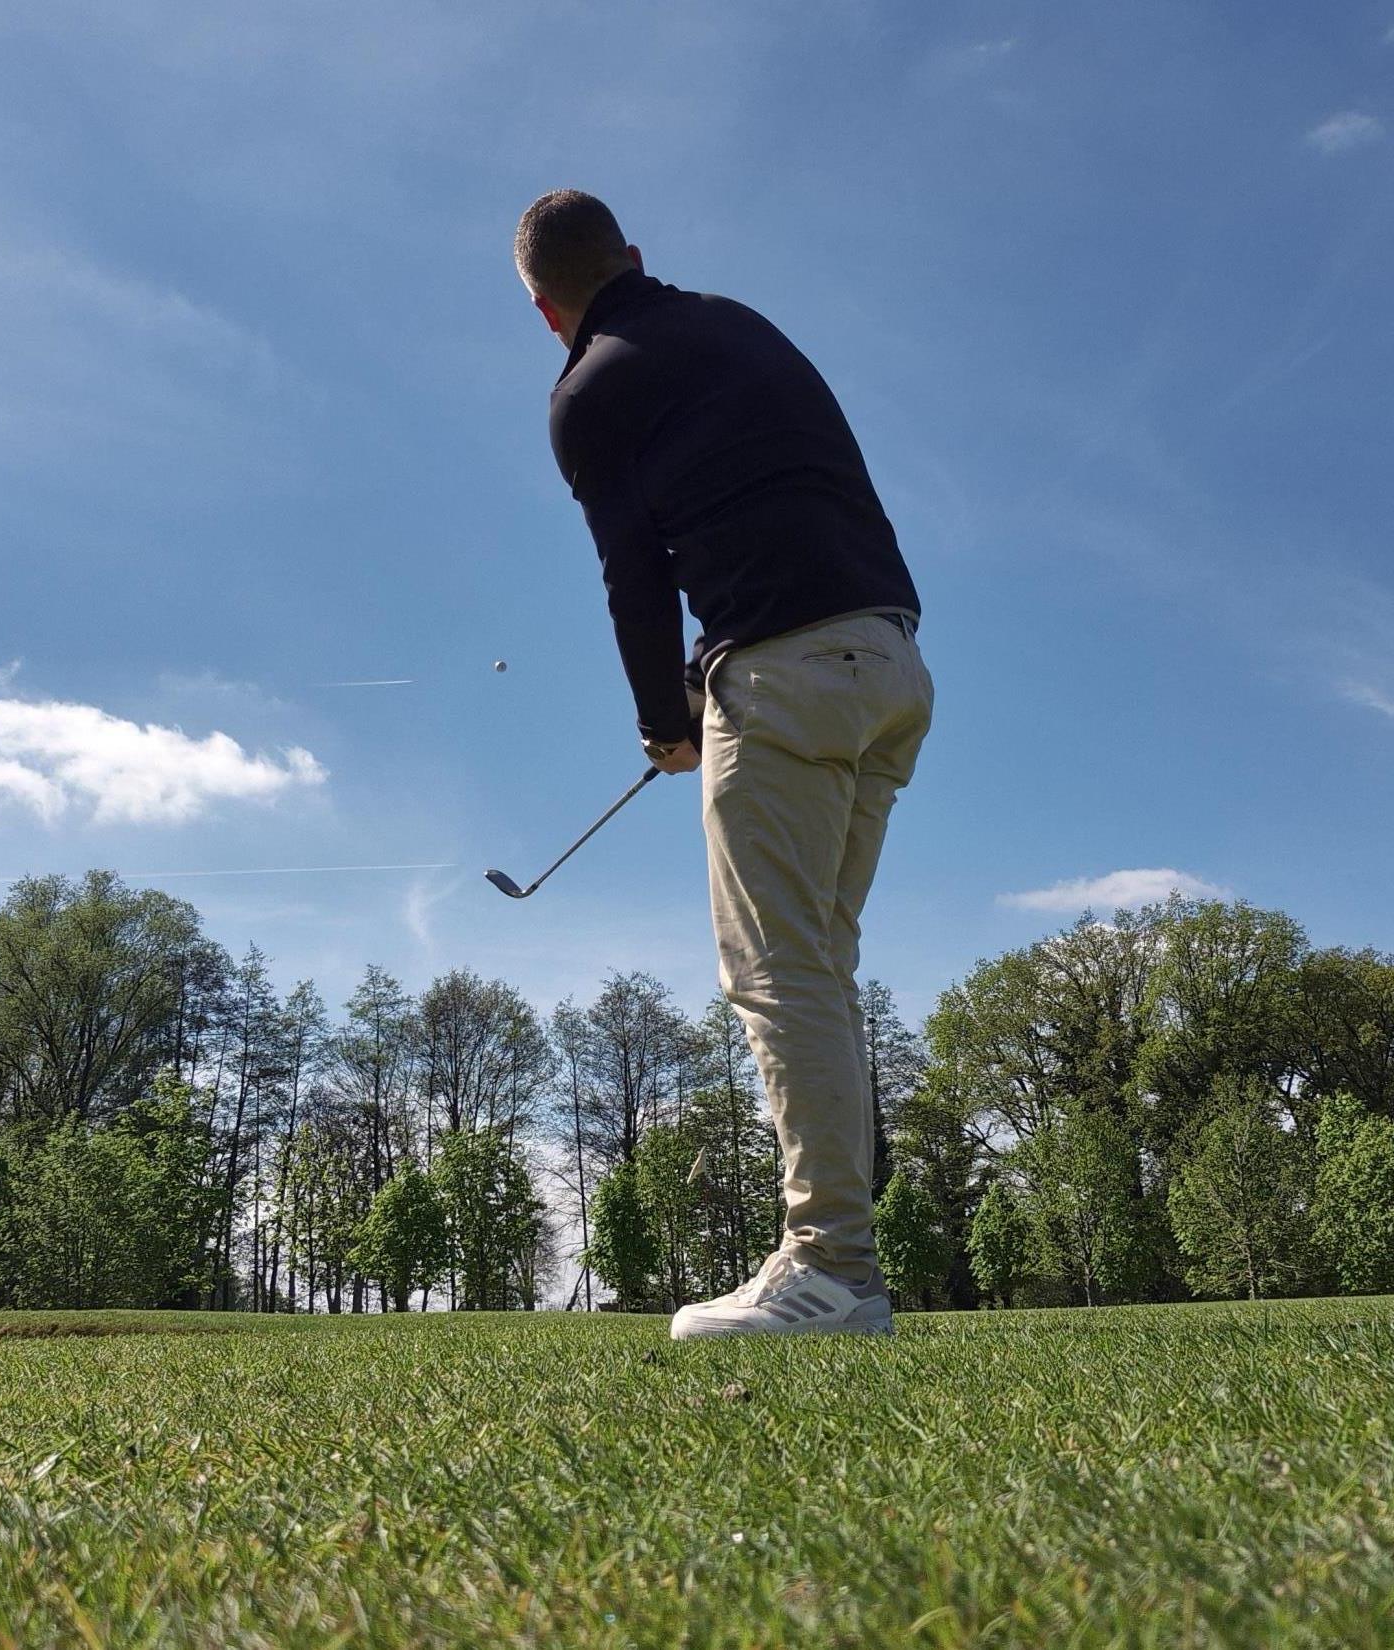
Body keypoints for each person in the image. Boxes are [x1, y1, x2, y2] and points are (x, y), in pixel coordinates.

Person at [515, 190, 932, 1338]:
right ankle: (842, 1265)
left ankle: (831, 1267)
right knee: (822, 969)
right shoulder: (737, 322)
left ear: (545, 309)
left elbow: (634, 576)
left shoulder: (584, 390)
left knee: (778, 975)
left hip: (786, 678)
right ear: (634, 256)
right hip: (891, 665)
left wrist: (667, 720)